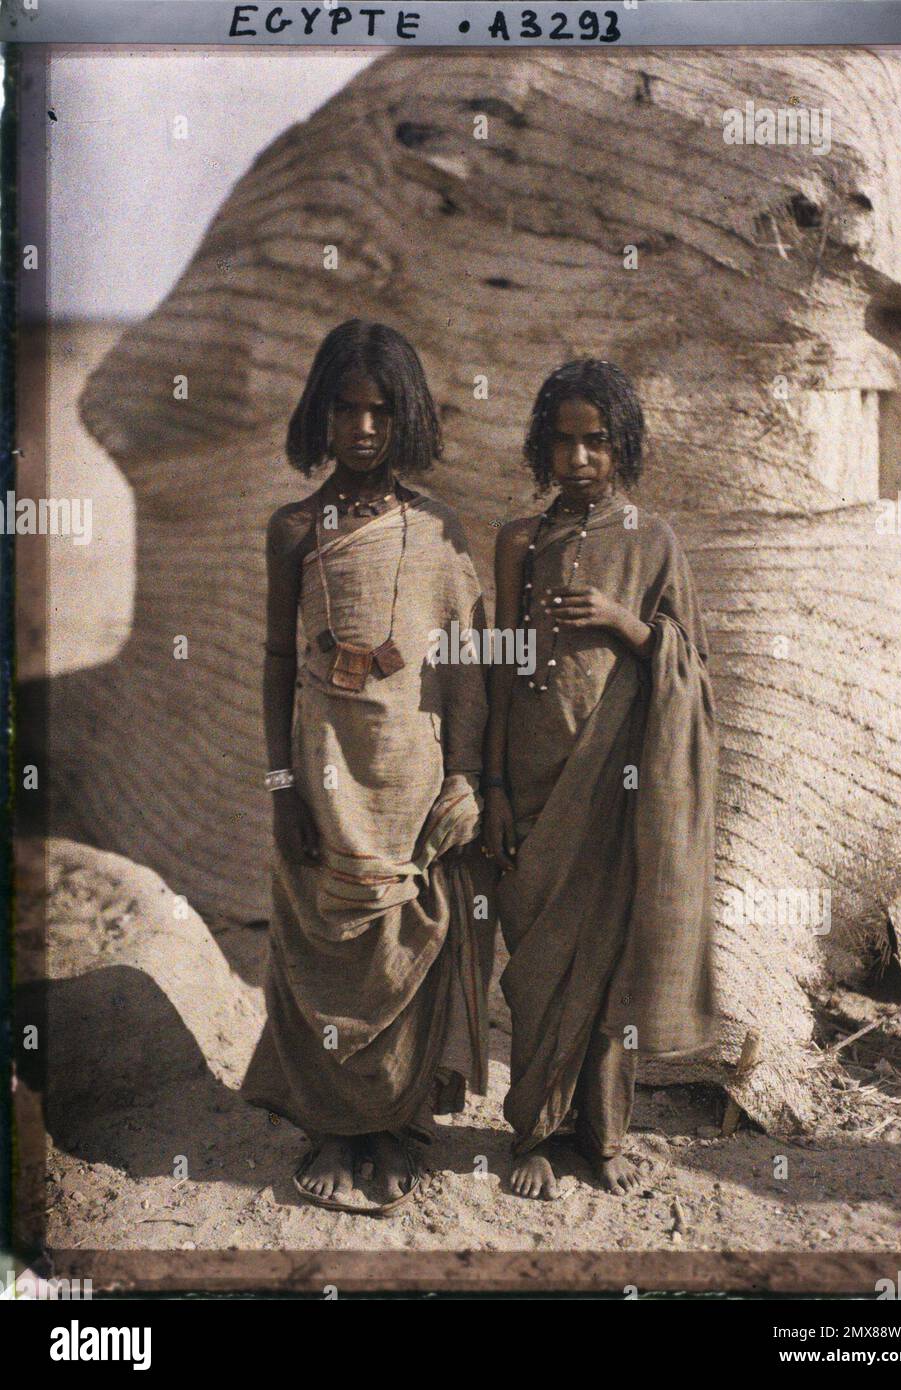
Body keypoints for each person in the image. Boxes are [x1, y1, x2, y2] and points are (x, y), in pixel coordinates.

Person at [242, 320, 489, 1215]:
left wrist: (466, 775)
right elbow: (276, 662)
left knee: (399, 949)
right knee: (325, 949)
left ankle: (392, 1127)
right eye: (345, 410)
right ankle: (337, 1128)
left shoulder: (440, 533)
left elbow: (465, 664)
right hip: (322, 774)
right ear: (321, 415)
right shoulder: (295, 530)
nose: (363, 428)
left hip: (409, 782)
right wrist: (281, 789)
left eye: (381, 411)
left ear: (407, 418)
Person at [482, 359, 717, 1200]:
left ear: (623, 447)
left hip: (619, 790)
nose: (579, 457)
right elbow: (502, 668)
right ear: (543, 445)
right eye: (564, 440)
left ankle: (604, 1136)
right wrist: (495, 786)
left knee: (610, 965)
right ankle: (539, 1136)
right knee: (540, 968)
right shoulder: (520, 540)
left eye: (596, 442)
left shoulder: (655, 543)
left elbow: (692, 672)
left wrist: (626, 623)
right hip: (535, 789)